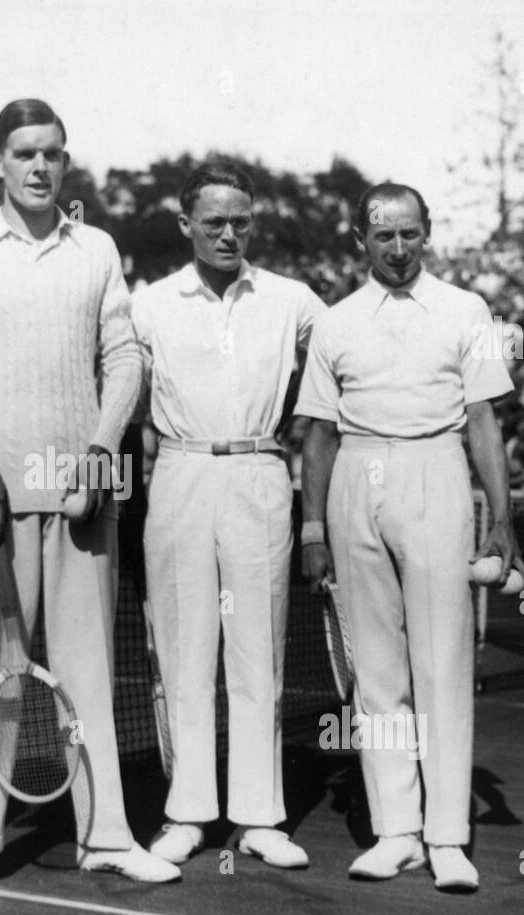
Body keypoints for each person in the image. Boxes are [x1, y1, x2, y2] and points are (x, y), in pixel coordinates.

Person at [0, 98, 179, 897]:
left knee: (87, 674)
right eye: (25, 153)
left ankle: (105, 833)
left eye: (54, 154)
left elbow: (125, 360)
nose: (40, 167)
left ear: (66, 164)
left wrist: (100, 455)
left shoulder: (96, 249)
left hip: (85, 503)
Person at [295, 183, 524, 892]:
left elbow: (483, 420)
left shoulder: (467, 310)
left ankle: (448, 835)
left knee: (442, 663)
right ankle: (397, 830)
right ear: (360, 238)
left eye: (409, 234)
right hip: (354, 480)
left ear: (427, 233)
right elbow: (319, 435)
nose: (397, 249)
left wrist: (504, 517)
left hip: (437, 471)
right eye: (382, 235)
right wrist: (311, 528)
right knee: (378, 671)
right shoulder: (335, 322)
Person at [131, 162, 325, 868]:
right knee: (184, 655)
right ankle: (185, 812)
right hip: (179, 475)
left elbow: (344, 363)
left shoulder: (292, 299)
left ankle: (260, 816)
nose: (228, 233)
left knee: (257, 651)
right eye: (213, 221)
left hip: (259, 473)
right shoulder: (147, 305)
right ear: (186, 225)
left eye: (240, 220)